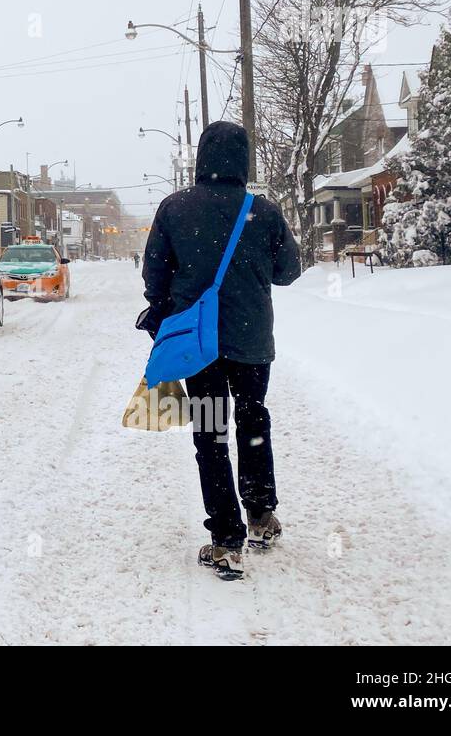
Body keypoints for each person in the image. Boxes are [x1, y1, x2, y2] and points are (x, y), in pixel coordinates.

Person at [139, 121, 301, 581]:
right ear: (243, 159)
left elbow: (154, 278)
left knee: (211, 433)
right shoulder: (262, 211)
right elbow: (288, 271)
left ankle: (226, 539)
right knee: (253, 421)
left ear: (202, 158)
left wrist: (176, 301)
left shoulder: (174, 209)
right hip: (251, 343)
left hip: (199, 348)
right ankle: (261, 517)